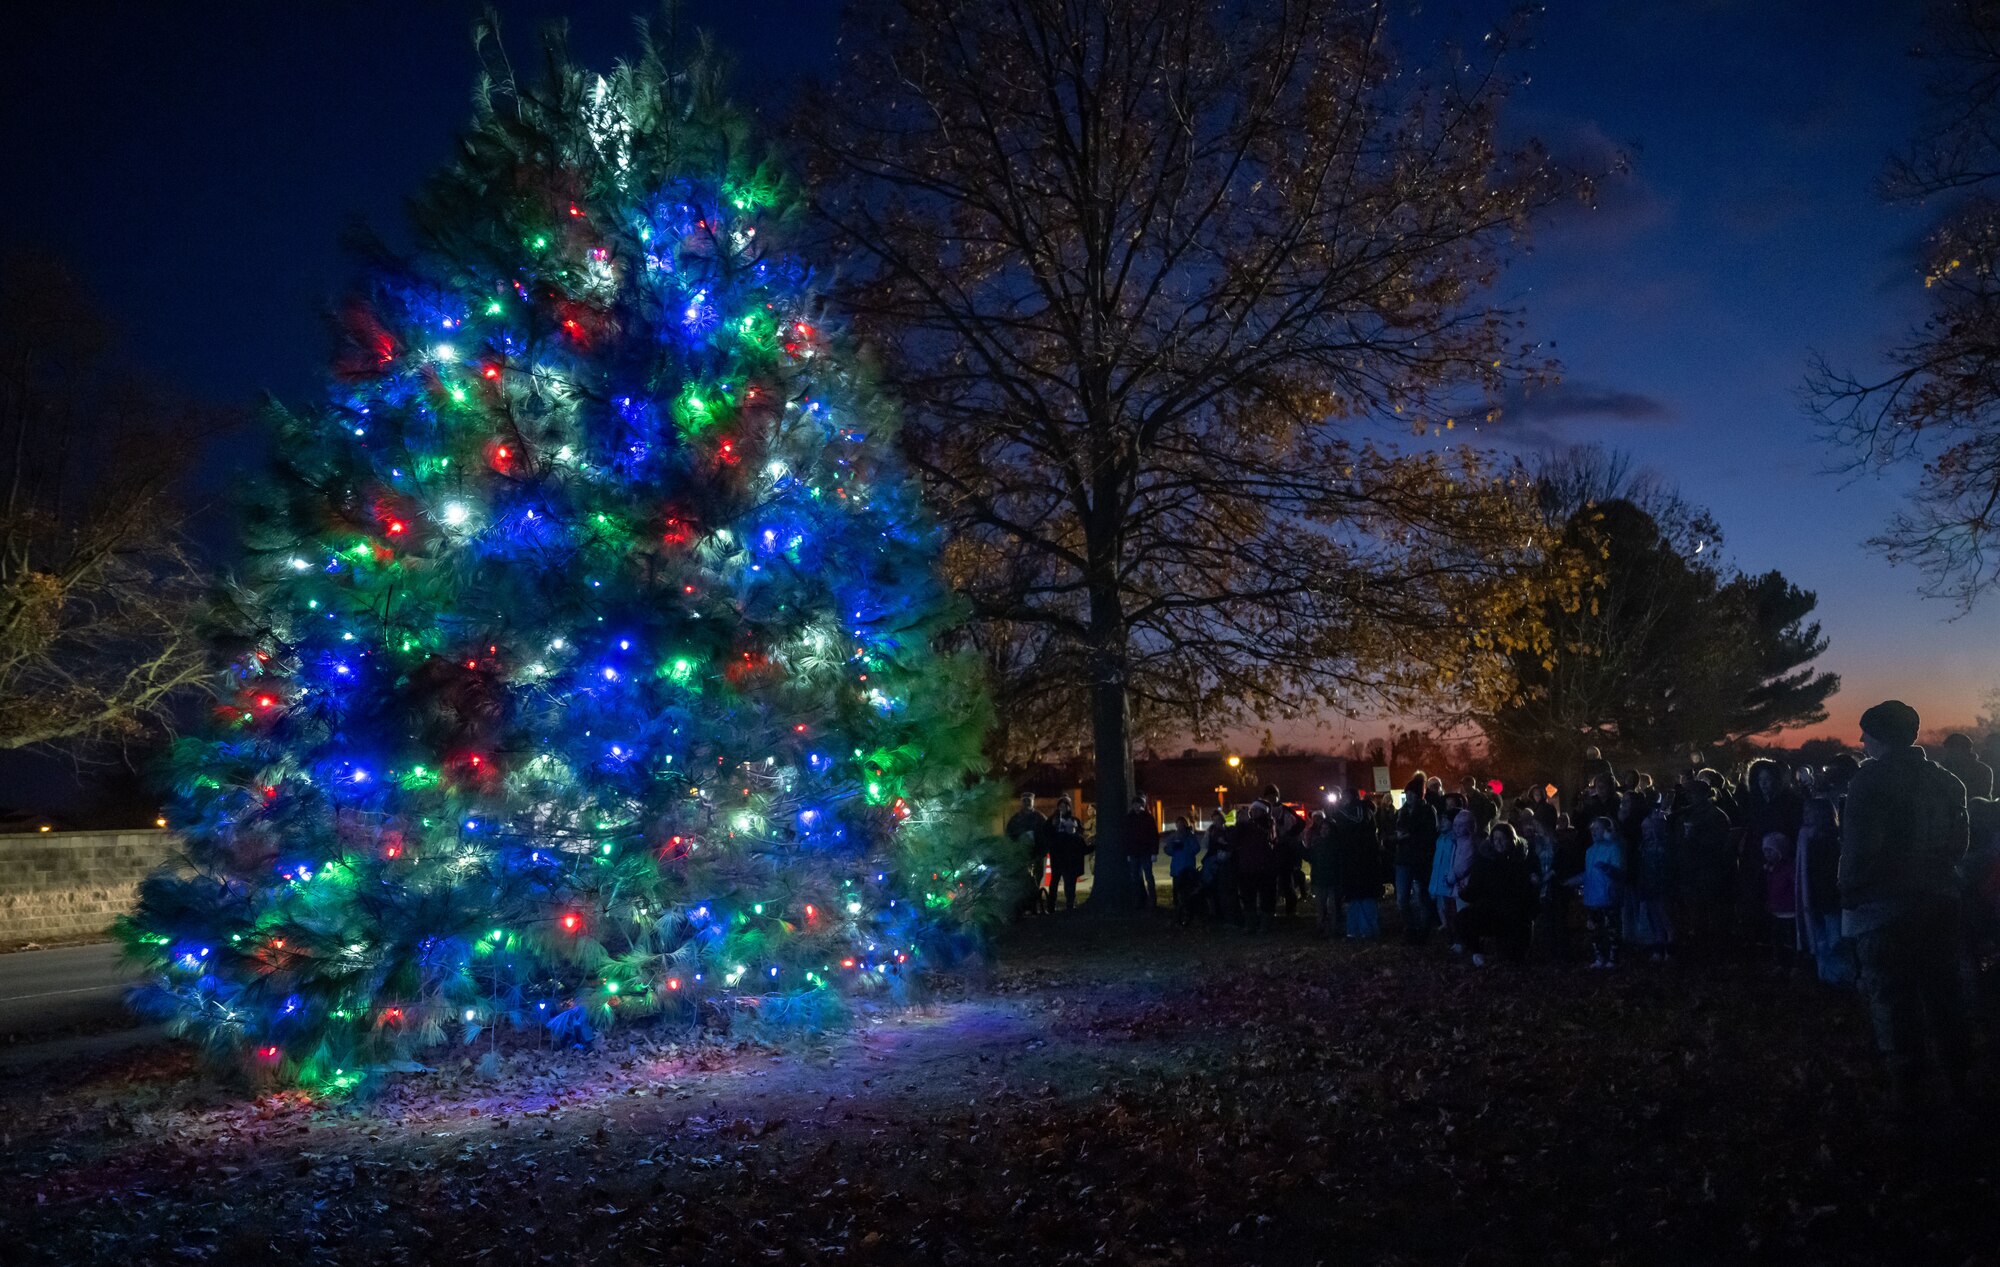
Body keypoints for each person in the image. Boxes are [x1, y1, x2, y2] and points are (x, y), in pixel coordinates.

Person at [1841, 699, 1972, 1124]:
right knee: (1944, 997)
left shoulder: (1870, 781)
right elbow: (1959, 845)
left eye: (1866, 733)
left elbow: (1860, 850)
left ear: (1881, 736)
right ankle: (1961, 1083)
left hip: (1886, 910)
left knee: (1894, 1003)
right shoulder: (1947, 782)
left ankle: (1910, 1099)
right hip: (1941, 902)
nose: (1861, 740)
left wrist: (1849, 894)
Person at [1796, 770, 1856, 986]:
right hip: (1817, 899)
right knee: (1822, 938)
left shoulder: (1828, 843)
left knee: (1834, 940)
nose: (1805, 816)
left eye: (1809, 813)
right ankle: (1827, 976)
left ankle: (1840, 978)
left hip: (1829, 899)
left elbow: (1828, 873)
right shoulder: (1808, 840)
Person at [1456, 823, 1537, 965]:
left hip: (1515, 911)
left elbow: (1529, 887)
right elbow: (1475, 887)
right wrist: (1464, 892)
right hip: (1490, 909)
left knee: (1515, 952)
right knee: (1463, 918)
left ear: (1511, 839)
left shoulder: (1522, 859)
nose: (1498, 843)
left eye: (1502, 839)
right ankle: (1477, 951)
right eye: (1495, 839)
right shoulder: (1485, 861)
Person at [1674, 777, 1735, 961]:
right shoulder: (1687, 813)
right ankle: (1700, 949)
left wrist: (1693, 838)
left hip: (1708, 870)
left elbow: (1718, 844)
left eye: (1693, 793)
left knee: (1712, 913)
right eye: (1688, 793)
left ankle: (1715, 952)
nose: (1689, 797)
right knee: (1695, 913)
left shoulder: (1715, 816)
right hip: (1691, 870)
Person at [1390, 775, 1439, 942]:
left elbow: (1429, 835)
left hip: (1420, 860)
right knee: (1402, 898)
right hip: (1403, 859)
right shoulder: (1402, 811)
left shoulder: (1427, 810)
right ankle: (1411, 927)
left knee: (1422, 896)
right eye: (1408, 793)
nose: (1409, 796)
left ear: (1419, 794)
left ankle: (1423, 930)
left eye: (1412, 793)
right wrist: (1396, 839)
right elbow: (1396, 830)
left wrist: (1408, 836)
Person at [1575, 816, 1626, 968]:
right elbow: (1588, 873)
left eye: (1597, 828)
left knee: (1611, 929)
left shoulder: (1614, 848)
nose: (1593, 831)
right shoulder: (1590, 851)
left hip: (1608, 896)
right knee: (1594, 929)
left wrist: (1608, 869)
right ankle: (1599, 957)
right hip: (1592, 897)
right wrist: (1573, 881)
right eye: (1592, 829)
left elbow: (1619, 872)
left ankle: (1613, 958)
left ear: (1606, 830)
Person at [1335, 793, 1383, 939]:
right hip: (1358, 860)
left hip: (1360, 860)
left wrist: (1338, 811)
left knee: (1362, 896)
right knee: (1357, 896)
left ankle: (1364, 930)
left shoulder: (1357, 811)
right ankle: (1358, 929)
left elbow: (1355, 822)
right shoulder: (1363, 811)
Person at [1234, 801, 1279, 932]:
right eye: (1252, 810)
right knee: (1248, 896)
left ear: (1262, 811)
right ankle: (1251, 923)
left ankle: (1265, 924)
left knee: (1266, 896)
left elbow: (1266, 837)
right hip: (1248, 867)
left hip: (1264, 867)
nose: (1252, 813)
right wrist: (1239, 824)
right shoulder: (1245, 825)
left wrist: (1247, 823)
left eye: (1255, 810)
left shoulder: (1268, 823)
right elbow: (1235, 840)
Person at [1438, 806, 1478, 951]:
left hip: (1463, 884)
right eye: (1455, 825)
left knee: (1462, 914)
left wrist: (1450, 878)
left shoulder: (1468, 844)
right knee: (1454, 912)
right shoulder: (1458, 842)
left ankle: (1463, 942)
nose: (1457, 828)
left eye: (1460, 826)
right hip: (1456, 883)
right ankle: (1458, 940)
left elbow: (1462, 866)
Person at [1041, 797, 1090, 912]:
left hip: (1070, 856)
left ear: (1069, 807)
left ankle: (1070, 904)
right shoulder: (1053, 820)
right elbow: (1046, 832)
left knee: (1070, 881)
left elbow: (1080, 834)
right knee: (1054, 881)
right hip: (1057, 855)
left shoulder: (1074, 820)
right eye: (1060, 806)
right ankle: (1051, 906)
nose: (1062, 808)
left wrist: (1074, 832)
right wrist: (1053, 827)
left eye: (1065, 806)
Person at [1005, 793, 1049, 915]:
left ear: (1033, 801)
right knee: (1022, 882)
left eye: (1029, 800)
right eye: (1024, 800)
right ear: (1021, 802)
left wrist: (1042, 852)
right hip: (1021, 857)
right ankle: (1023, 907)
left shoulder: (1040, 818)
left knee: (1035, 882)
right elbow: (1009, 837)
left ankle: (1034, 906)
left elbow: (1047, 835)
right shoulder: (1015, 820)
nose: (1027, 803)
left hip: (1037, 856)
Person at [1306, 810, 1342, 937]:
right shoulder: (1317, 844)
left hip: (1331, 880)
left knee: (1332, 906)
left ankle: (1333, 928)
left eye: (1326, 829)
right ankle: (1322, 927)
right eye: (1322, 829)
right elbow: (1310, 857)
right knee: (1321, 906)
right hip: (1320, 879)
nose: (1324, 831)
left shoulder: (1335, 845)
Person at [1163, 814, 1202, 923]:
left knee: (1187, 890)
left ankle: (1188, 910)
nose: (1180, 826)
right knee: (1177, 890)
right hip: (1177, 868)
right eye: (1178, 824)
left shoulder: (1190, 836)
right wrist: (1172, 848)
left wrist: (1185, 847)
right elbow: (1168, 849)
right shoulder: (1174, 836)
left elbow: (1196, 848)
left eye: (1182, 824)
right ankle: (1177, 910)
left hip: (1187, 868)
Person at [1122, 795, 1160, 911]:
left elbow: (1154, 836)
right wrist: (1128, 853)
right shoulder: (1130, 818)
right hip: (1135, 852)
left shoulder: (1148, 818)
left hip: (1145, 852)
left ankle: (1151, 901)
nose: (1137, 806)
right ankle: (1138, 901)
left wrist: (1154, 852)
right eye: (1135, 804)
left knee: (1147, 876)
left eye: (1138, 804)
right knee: (1136, 878)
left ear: (1142, 805)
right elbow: (1126, 837)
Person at [1937, 732, 1994, 800]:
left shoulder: (1982, 770)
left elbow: (1981, 796)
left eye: (1951, 748)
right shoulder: (1984, 769)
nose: (1948, 753)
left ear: (1963, 749)